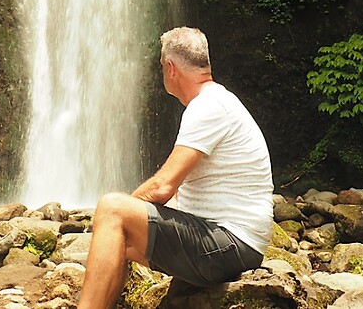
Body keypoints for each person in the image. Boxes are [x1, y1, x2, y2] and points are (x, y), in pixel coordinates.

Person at [78, 26, 273, 308]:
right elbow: (177, 195)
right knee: (120, 242)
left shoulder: (208, 106)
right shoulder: (217, 101)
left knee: (111, 209)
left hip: (229, 244)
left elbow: (162, 187)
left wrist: (115, 213)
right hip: (232, 244)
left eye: (161, 66)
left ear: (170, 68)